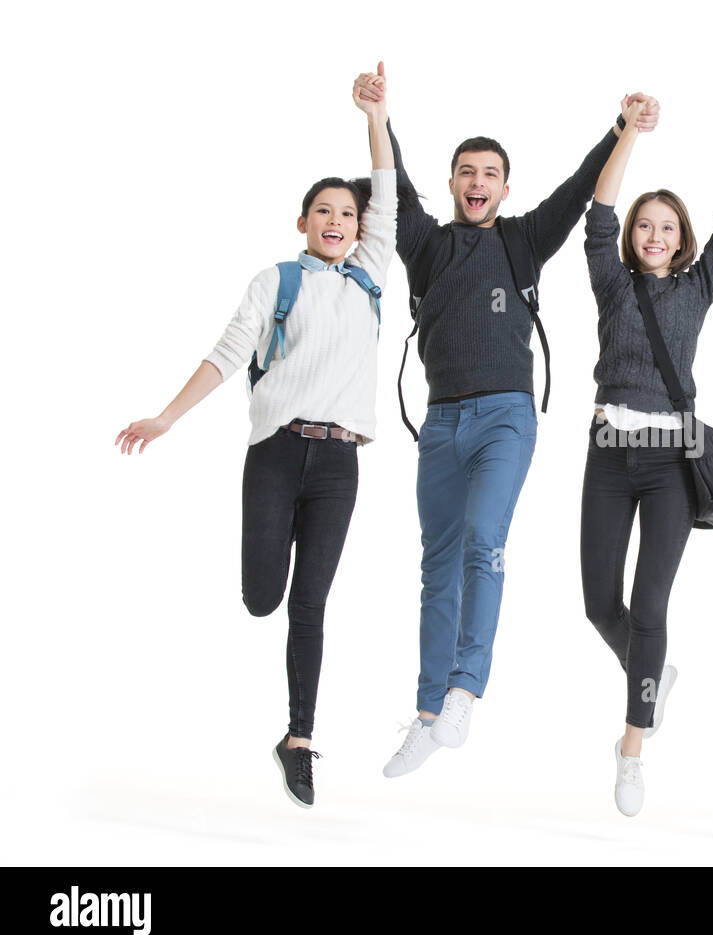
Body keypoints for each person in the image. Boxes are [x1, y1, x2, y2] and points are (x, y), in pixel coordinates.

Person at [361, 74, 661, 778]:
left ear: (503, 187)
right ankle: (430, 712)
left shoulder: (524, 242)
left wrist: (622, 129)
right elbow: (391, 184)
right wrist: (380, 115)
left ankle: (466, 688)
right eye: (467, 171)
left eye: (490, 174)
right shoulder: (426, 244)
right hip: (439, 425)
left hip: (505, 416)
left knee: (483, 542)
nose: (478, 181)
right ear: (454, 182)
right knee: (436, 565)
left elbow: (578, 187)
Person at [115, 65, 397, 809]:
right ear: (302, 221)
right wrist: (168, 417)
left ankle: (299, 738)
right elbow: (225, 354)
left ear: (361, 229)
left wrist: (376, 118)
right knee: (261, 598)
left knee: (312, 603)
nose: (338, 222)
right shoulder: (275, 281)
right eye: (323, 212)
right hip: (275, 454)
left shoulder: (370, 275)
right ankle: (277, 668)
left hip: (340, 461)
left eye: (348, 214)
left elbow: (386, 189)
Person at [581, 96, 713, 816]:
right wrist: (627, 137)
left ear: (681, 241)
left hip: (672, 460)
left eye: (666, 227)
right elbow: (599, 213)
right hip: (610, 455)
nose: (651, 234)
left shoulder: (698, 286)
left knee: (649, 604)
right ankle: (654, 674)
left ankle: (632, 744)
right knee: (597, 604)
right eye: (645, 225)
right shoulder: (612, 283)